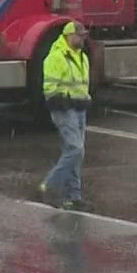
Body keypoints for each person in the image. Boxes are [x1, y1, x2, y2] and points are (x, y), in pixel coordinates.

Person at [37, 21, 91, 210]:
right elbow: (50, 87)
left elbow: (81, 84)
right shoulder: (57, 57)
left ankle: (73, 197)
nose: (83, 38)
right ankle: (49, 185)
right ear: (69, 36)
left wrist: (86, 98)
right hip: (65, 109)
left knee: (77, 152)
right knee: (75, 149)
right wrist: (60, 101)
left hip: (79, 108)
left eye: (84, 35)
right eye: (79, 35)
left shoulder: (81, 57)